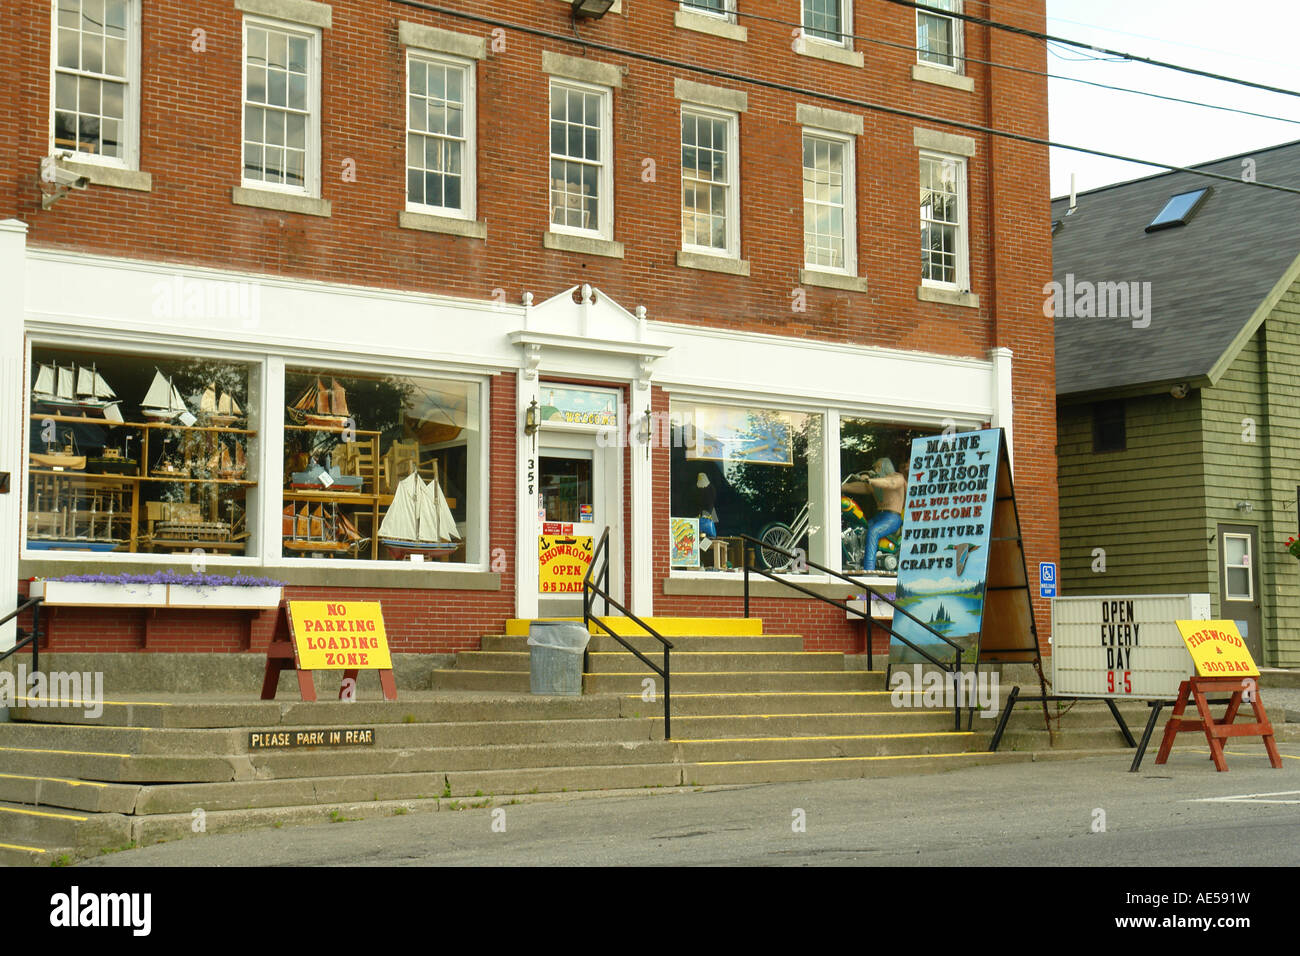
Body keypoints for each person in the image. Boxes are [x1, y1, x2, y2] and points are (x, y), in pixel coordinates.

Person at [841, 457, 906, 572]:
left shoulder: (897, 478)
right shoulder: (877, 483)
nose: (874, 470)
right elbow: (863, 487)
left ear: (883, 467)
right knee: (861, 530)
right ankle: (856, 561)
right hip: (880, 516)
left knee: (874, 531)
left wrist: (870, 480)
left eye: (877, 467)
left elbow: (889, 483)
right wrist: (842, 486)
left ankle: (869, 568)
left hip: (892, 517)